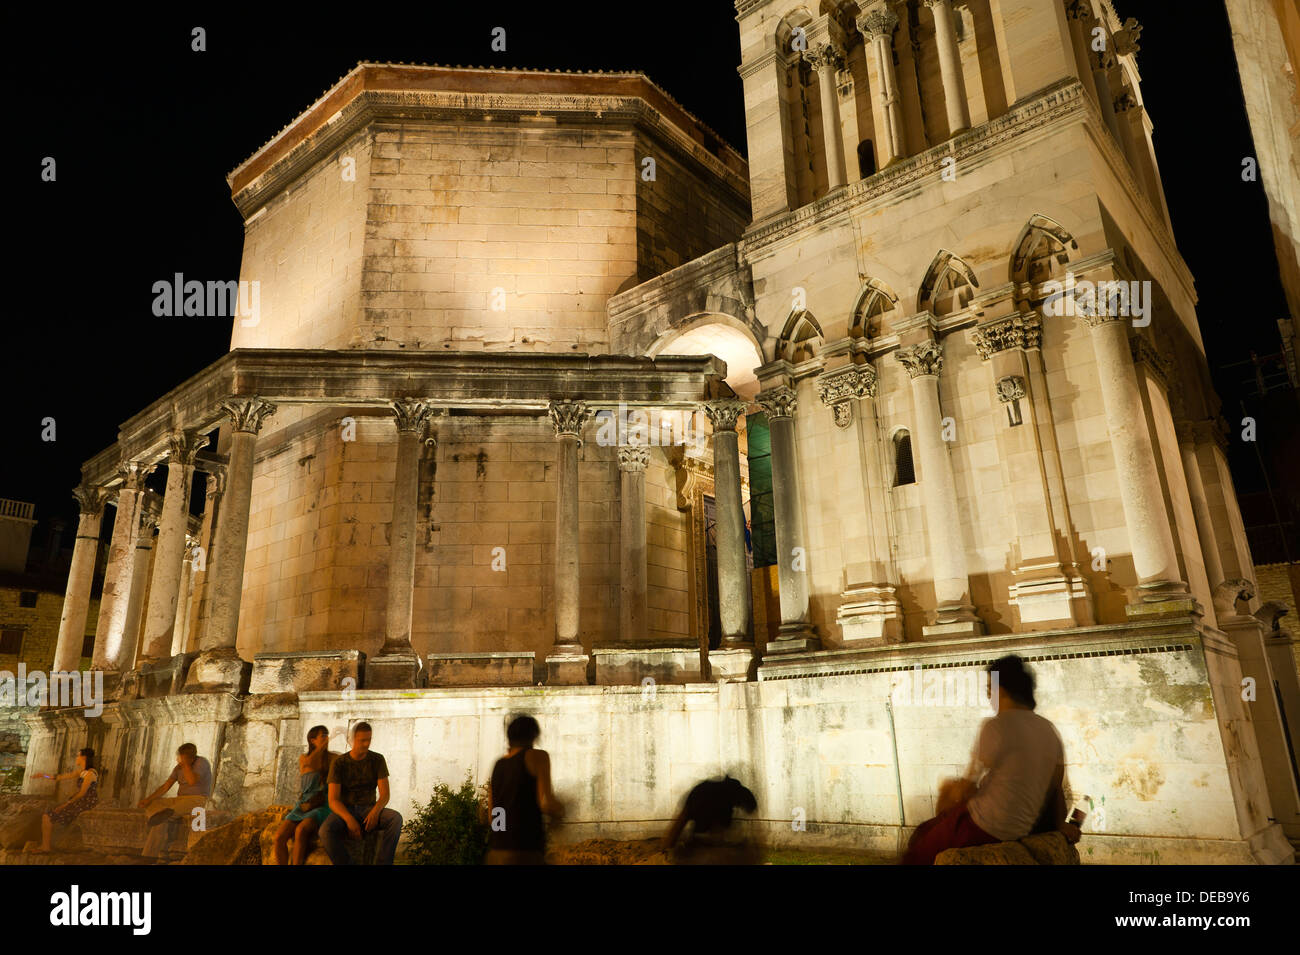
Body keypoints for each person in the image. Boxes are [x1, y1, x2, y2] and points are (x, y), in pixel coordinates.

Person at [902, 655, 1082, 865]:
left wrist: (949, 791)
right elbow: (1056, 788)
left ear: (1002, 691)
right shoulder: (1049, 729)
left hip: (986, 824)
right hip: (1023, 824)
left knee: (921, 842)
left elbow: (967, 787)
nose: (988, 696)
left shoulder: (997, 725)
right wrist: (1060, 824)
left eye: (989, 689)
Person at [319, 722, 402, 865]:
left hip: (369, 809)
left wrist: (375, 812)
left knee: (395, 819)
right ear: (352, 739)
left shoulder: (377, 759)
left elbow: (385, 794)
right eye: (362, 740)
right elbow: (333, 800)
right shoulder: (339, 763)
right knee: (324, 831)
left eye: (368, 739)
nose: (366, 744)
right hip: (346, 810)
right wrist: (349, 819)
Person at [486, 715, 565, 865]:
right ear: (534, 735)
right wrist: (561, 810)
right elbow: (545, 803)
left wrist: (505, 838)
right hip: (525, 851)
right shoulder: (538, 756)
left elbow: (494, 815)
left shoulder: (499, 764)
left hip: (497, 852)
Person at [138, 743, 212, 860]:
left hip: (197, 799)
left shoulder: (201, 763)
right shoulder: (179, 768)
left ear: (190, 757)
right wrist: (148, 799)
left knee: (165, 815)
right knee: (155, 805)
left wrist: (186, 765)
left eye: (181, 757)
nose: (178, 759)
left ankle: (148, 856)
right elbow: (165, 787)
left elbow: (192, 781)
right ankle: (159, 814)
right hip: (179, 799)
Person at [273, 725, 335, 865]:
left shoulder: (333, 758)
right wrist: (320, 748)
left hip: (321, 805)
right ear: (312, 740)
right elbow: (311, 765)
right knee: (279, 837)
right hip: (304, 804)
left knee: (301, 830)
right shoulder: (305, 758)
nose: (327, 738)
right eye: (323, 736)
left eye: (327, 735)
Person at [662, 775, 759, 864]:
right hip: (705, 851)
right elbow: (717, 835)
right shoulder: (725, 799)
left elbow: (680, 821)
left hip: (700, 847)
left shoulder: (701, 790)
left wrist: (668, 845)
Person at [30, 748, 99, 853]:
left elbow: (82, 793)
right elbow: (59, 777)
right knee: (47, 816)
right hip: (79, 802)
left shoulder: (91, 773)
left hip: (86, 803)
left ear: (84, 757)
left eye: (78, 755)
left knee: (48, 816)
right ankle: (45, 846)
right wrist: (43, 775)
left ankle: (45, 847)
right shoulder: (82, 772)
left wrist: (65, 805)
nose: (76, 758)